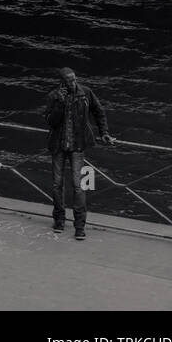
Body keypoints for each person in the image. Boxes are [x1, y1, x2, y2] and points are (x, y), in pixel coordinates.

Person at [45, 66, 113, 240]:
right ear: (62, 82)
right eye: (69, 80)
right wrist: (59, 103)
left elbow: (99, 112)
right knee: (56, 184)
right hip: (58, 146)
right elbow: (50, 122)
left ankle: (80, 225)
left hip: (78, 145)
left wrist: (104, 132)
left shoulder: (86, 93)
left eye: (74, 79)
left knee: (80, 185)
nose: (73, 82)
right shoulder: (54, 96)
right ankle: (59, 220)